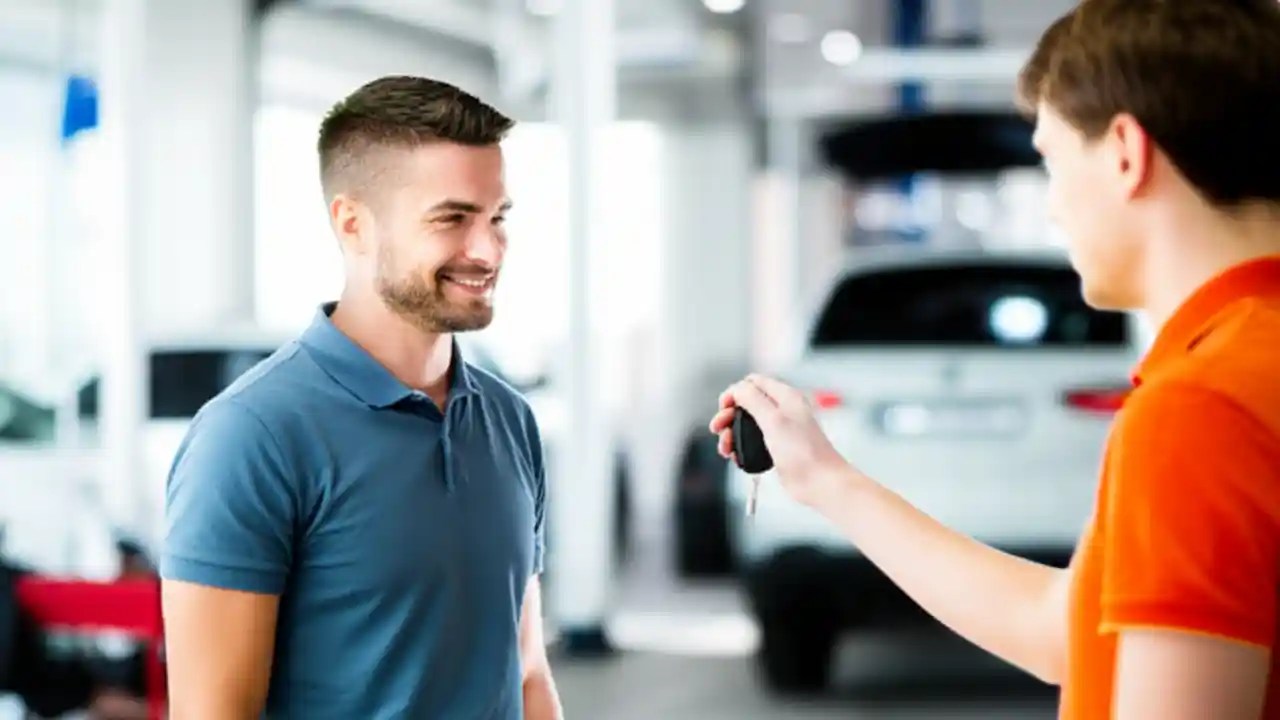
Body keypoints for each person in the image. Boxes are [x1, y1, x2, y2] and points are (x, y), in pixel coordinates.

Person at [711, 1, 1280, 718]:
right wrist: (826, 480)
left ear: (1126, 156)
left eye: (1052, 163)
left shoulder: (1200, 412)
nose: (1053, 210)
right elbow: (1062, 633)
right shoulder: (1252, 369)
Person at [160, 76, 562, 719]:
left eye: (497, 217)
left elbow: (529, 674)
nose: (487, 249)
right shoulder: (252, 437)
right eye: (452, 218)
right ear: (353, 224)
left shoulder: (510, 420)